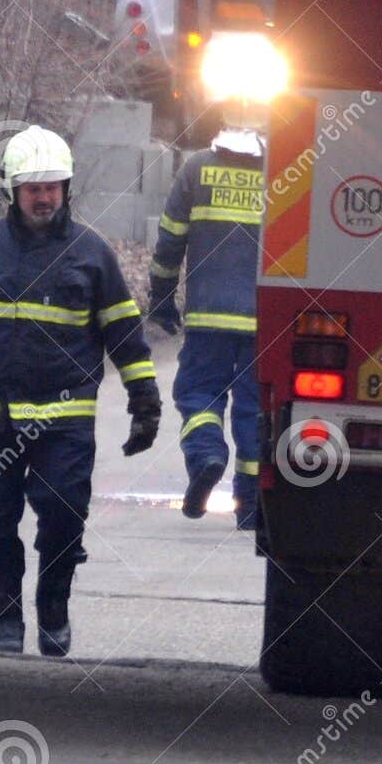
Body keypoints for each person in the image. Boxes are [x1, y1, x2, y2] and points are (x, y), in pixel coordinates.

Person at [0, 125, 161, 656]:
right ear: (12, 191)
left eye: (53, 186)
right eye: (33, 188)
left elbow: (126, 337)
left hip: (63, 421)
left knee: (64, 513)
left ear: (67, 188)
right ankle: (6, 622)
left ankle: (53, 607)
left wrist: (146, 404)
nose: (45, 196)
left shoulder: (93, 255)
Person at [148, 124, 264, 530]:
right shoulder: (283, 170)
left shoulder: (196, 168)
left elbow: (170, 239)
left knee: (198, 392)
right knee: (254, 408)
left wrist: (161, 296)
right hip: (263, 323)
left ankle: (206, 455)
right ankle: (250, 504)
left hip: (207, 318)